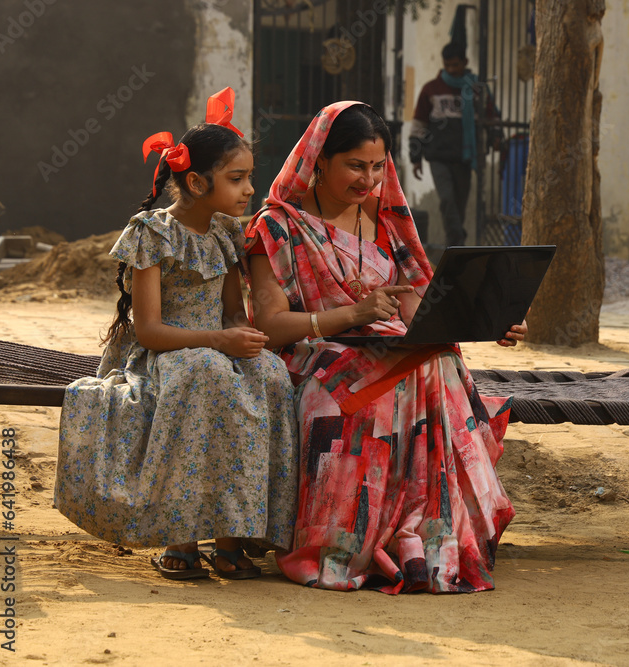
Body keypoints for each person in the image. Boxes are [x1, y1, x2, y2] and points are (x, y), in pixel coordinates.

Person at [246, 101, 524, 594]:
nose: (369, 180)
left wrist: (484, 322)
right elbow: (269, 325)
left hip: (389, 352)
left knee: (433, 361)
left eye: (378, 167)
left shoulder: (386, 221)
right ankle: (344, 543)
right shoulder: (277, 226)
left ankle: (411, 534)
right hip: (313, 353)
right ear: (319, 160)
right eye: (355, 165)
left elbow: (416, 312)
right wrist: (351, 316)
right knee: (367, 389)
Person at [55, 88, 298, 581]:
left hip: (213, 349)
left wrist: (243, 337)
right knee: (206, 373)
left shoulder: (227, 235)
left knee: (269, 373)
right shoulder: (153, 233)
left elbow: (232, 314)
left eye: (250, 176)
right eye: (237, 178)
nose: (251, 188)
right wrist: (219, 342)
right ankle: (179, 535)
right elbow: (148, 330)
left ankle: (233, 535)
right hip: (164, 353)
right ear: (195, 180)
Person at [409, 42, 500, 248]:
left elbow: (491, 116)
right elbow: (419, 125)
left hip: (465, 157)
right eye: (447, 65)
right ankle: (457, 243)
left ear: (465, 63)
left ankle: (454, 246)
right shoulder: (431, 89)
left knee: (458, 204)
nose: (451, 70)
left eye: (455, 65)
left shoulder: (477, 90)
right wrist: (416, 157)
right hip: (438, 157)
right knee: (447, 200)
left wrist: (496, 137)